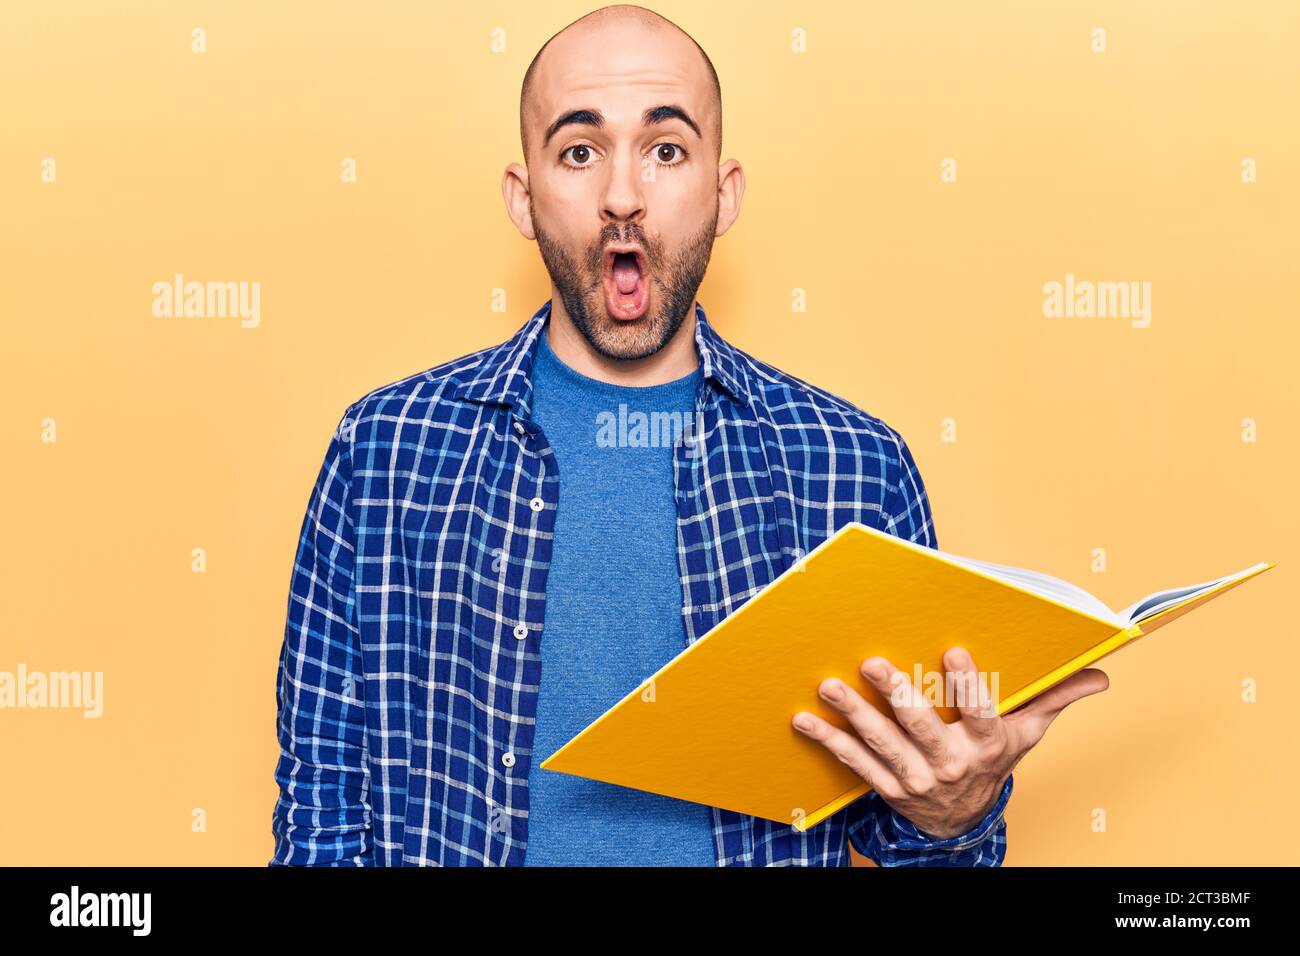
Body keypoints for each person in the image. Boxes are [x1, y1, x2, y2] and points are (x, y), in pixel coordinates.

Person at [270, 4, 1108, 867]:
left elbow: (917, 845)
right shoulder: (386, 452)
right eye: (579, 151)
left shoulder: (853, 468)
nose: (622, 196)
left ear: (724, 191)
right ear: (524, 198)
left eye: (666, 150)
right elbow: (321, 819)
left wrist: (954, 813)